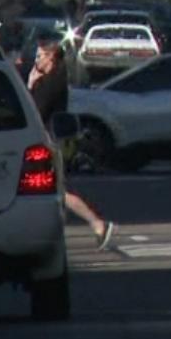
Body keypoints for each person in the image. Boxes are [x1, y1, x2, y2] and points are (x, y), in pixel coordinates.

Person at [28, 43, 115, 249]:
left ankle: (97, 223)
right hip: (48, 140)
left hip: (49, 141)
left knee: (57, 189)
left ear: (51, 58)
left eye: (40, 56)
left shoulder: (50, 83)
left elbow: (35, 112)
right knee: (48, 190)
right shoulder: (51, 80)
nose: (36, 60)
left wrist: (31, 85)